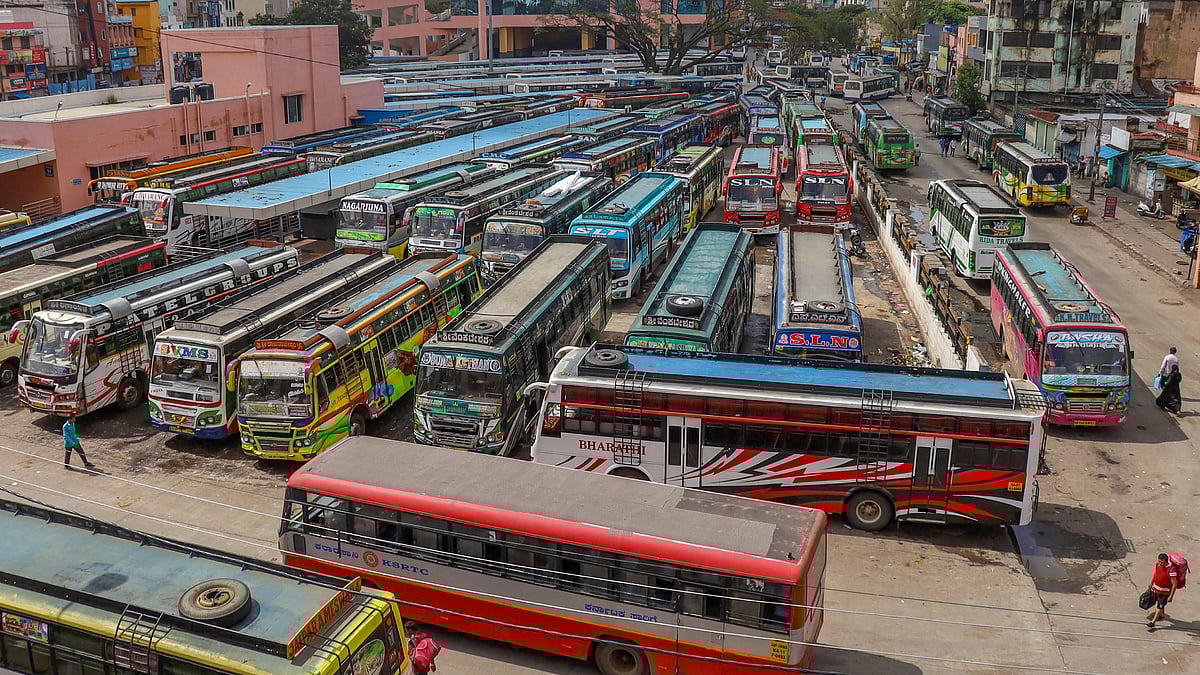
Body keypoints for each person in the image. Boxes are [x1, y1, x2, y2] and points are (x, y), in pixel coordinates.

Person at [1148, 553, 1179, 628]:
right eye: (1159, 561)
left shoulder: (1172, 570)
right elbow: (1156, 574)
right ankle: (1162, 615)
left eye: (1162, 562)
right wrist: (1151, 582)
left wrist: (1171, 596)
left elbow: (1174, 584)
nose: (1160, 564)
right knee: (1160, 603)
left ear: (1166, 561)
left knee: (1160, 606)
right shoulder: (1157, 565)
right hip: (1156, 589)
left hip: (1165, 592)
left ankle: (1153, 622)